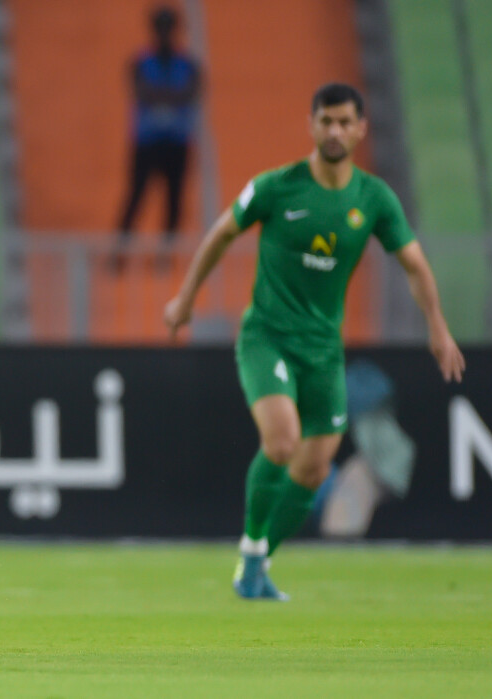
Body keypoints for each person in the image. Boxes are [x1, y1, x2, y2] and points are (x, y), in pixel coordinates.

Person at [164, 83, 464, 600]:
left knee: (314, 466)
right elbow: (221, 233)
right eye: (326, 121)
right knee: (282, 442)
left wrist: (437, 325)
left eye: (345, 122)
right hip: (267, 338)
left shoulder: (374, 199)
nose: (335, 131)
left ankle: (257, 565)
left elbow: (414, 264)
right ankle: (251, 546)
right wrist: (186, 298)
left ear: (361, 129)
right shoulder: (277, 187)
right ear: (312, 125)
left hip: (323, 351)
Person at [116, 6, 201, 252]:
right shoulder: (141, 62)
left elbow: (190, 93)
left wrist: (159, 95)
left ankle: (166, 254)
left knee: (174, 200)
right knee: (136, 195)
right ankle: (119, 251)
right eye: (160, 28)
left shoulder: (188, 65)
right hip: (147, 142)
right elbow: (142, 92)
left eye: (168, 28)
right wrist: (172, 96)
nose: (164, 33)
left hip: (176, 142)